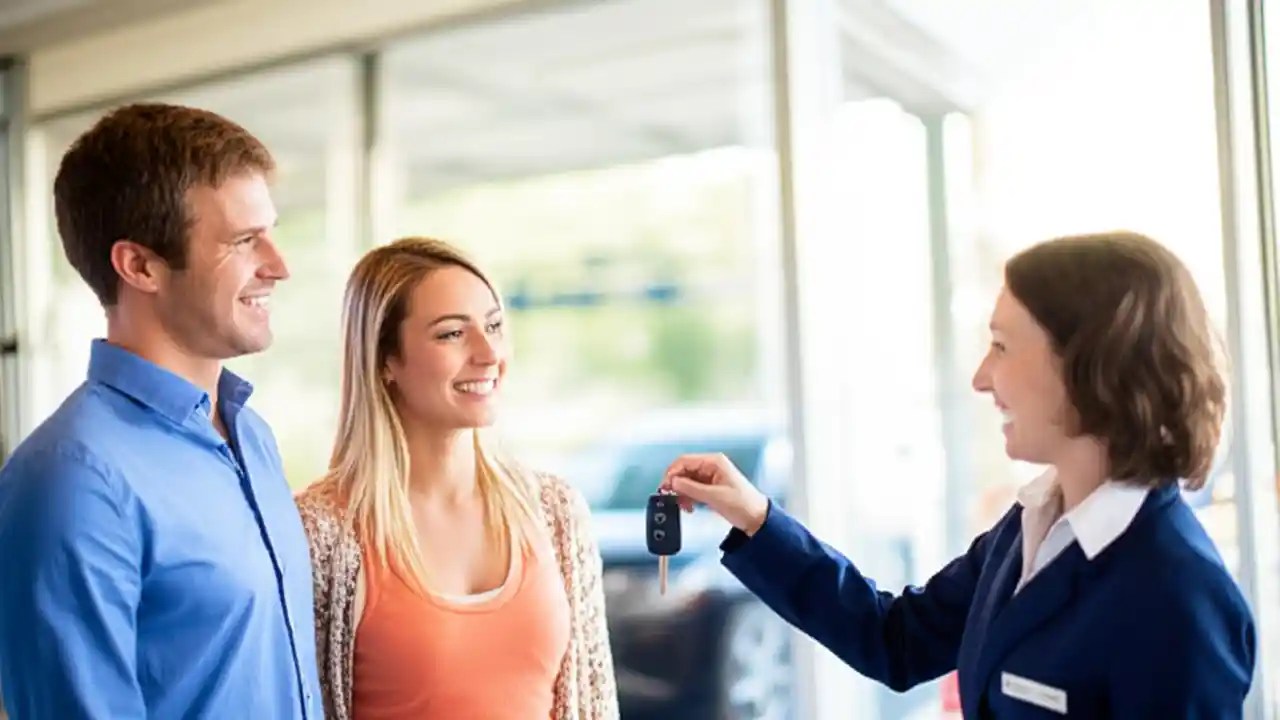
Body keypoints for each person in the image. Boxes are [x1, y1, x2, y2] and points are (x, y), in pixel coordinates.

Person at [662, 231, 1256, 718]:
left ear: (1088, 362)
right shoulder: (1029, 527)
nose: (980, 377)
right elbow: (896, 641)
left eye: (1001, 345)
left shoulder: (1180, 597)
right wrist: (755, 518)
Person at [0, 103, 322, 719]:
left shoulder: (250, 434)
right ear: (140, 265)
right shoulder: (70, 480)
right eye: (244, 241)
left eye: (271, 232)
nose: (279, 265)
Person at [296, 237, 618, 720]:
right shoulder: (320, 533)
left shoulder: (555, 510)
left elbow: (595, 704)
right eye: (451, 334)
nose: (489, 353)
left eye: (493, 326)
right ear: (386, 361)